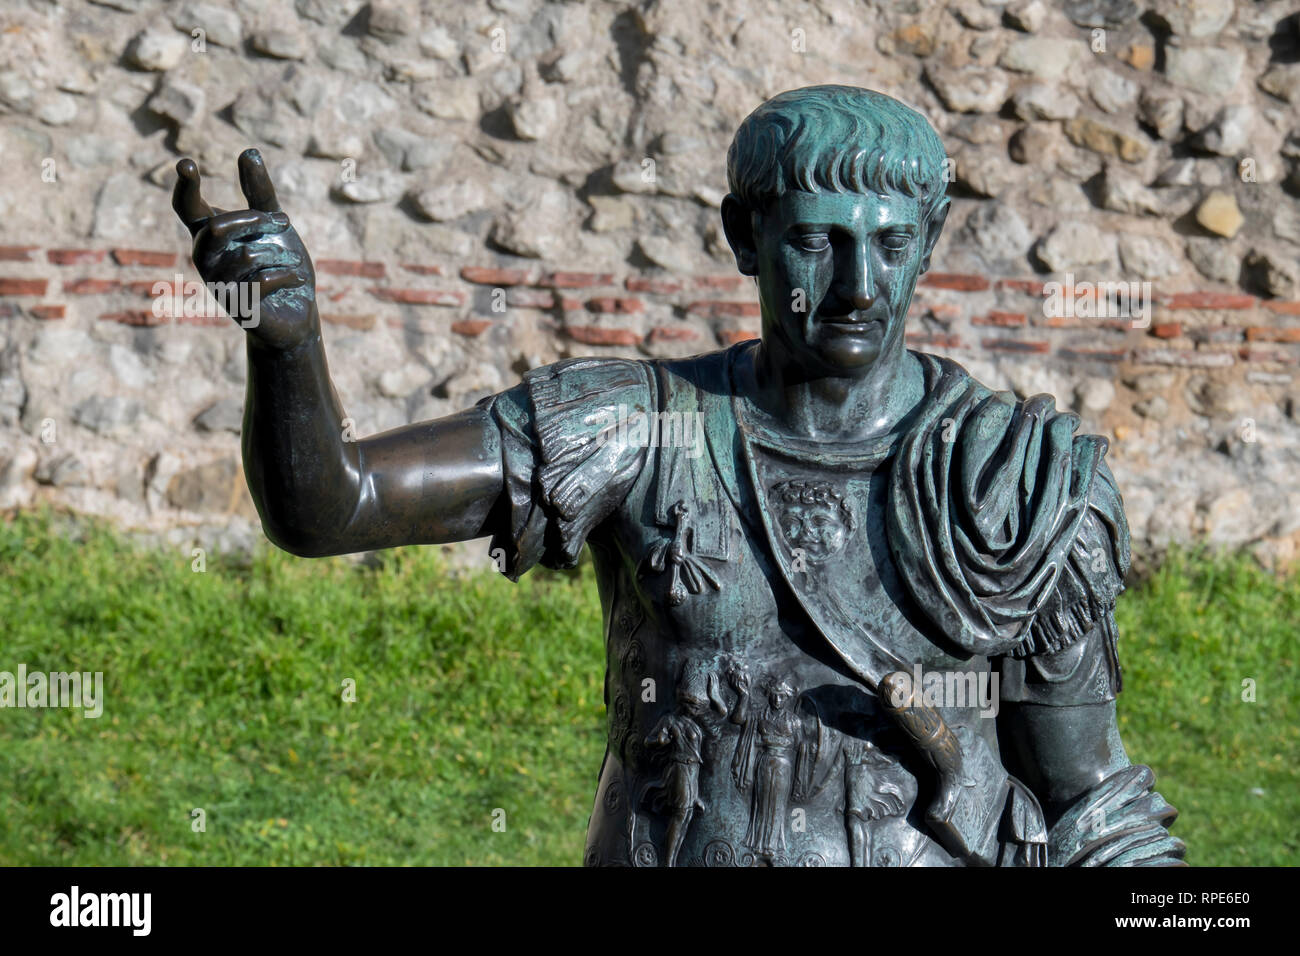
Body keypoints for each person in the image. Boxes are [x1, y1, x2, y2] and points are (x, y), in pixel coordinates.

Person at [172, 84, 1184, 867]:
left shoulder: (1018, 481)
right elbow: (332, 506)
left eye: (889, 244)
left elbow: (1089, 795)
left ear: (930, 244)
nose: (856, 289)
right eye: (816, 242)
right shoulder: (633, 425)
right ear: (743, 235)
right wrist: (285, 337)